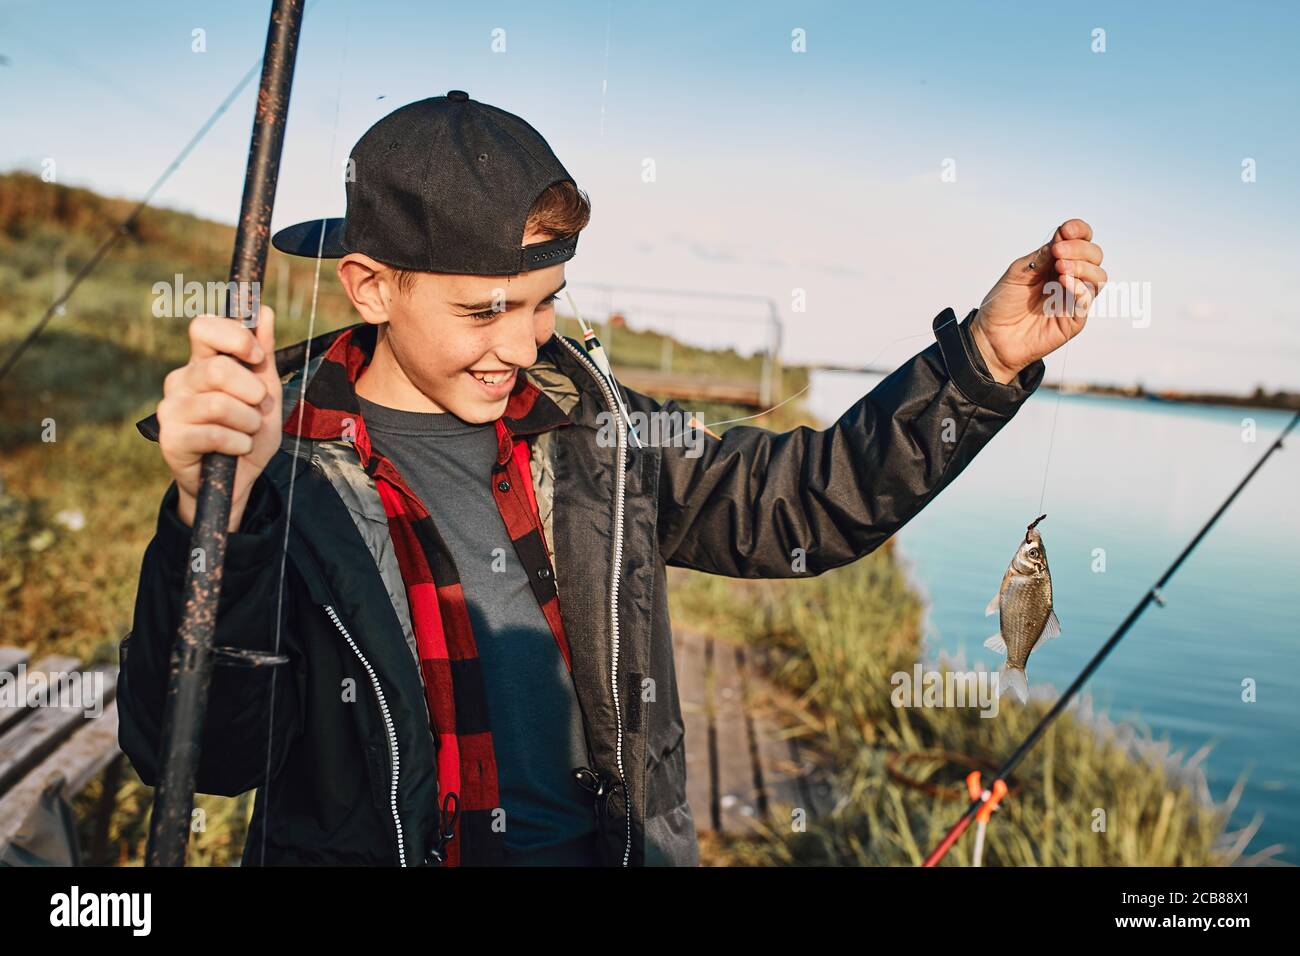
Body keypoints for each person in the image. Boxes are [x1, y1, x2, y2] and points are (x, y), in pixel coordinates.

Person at [117, 91, 1106, 867]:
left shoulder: (602, 429)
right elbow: (202, 757)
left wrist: (979, 359)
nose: (519, 343)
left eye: (545, 303)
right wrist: (224, 517)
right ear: (372, 284)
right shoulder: (273, 472)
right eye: (483, 311)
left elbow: (802, 503)